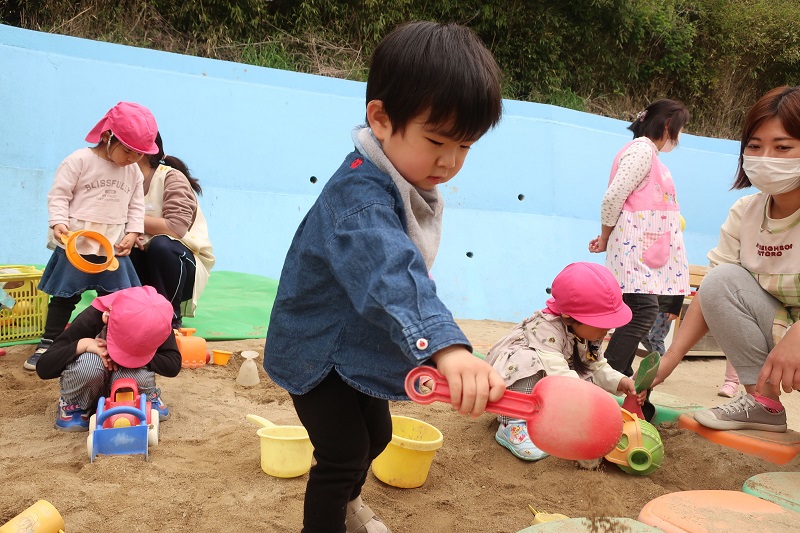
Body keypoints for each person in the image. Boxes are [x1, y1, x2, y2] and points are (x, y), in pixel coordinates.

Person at [263, 21, 505, 533]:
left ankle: (347, 508)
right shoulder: (360, 197)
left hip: (358, 346)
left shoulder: (404, 178)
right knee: (343, 451)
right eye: (437, 140)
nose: (450, 161)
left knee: (376, 438)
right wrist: (447, 346)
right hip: (317, 349)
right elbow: (390, 271)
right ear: (380, 118)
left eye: (465, 146)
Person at [652, 85, 800, 433]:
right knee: (721, 280)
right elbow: (713, 293)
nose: (766, 157)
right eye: (755, 146)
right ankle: (763, 404)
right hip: (783, 331)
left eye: (782, 147)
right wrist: (669, 359)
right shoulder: (746, 213)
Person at [25, 102, 158, 371]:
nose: (133, 158)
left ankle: (114, 343)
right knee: (64, 296)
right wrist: (59, 222)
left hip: (112, 246)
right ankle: (50, 343)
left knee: (118, 298)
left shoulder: (132, 171)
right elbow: (59, 195)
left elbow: (136, 205)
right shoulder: (78, 161)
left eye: (139, 154)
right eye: (128, 151)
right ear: (108, 137)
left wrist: (133, 232)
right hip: (76, 242)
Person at [486, 262, 638, 461]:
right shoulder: (546, 327)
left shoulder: (591, 333)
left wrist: (620, 381)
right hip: (514, 381)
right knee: (529, 361)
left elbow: (595, 366)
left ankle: (548, 420)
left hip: (553, 380)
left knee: (585, 376)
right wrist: (589, 404)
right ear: (568, 316)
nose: (607, 329)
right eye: (601, 322)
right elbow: (558, 372)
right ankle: (512, 425)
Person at [588, 99, 691, 377]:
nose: (679, 136)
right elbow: (613, 197)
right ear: (668, 125)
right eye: (680, 128)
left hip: (643, 248)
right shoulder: (641, 150)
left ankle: (619, 372)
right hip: (634, 248)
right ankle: (609, 373)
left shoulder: (650, 155)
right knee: (643, 310)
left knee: (636, 312)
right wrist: (605, 237)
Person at [35, 285, 181, 431]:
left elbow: (173, 365)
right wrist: (83, 344)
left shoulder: (157, 323)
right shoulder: (93, 316)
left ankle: (145, 398)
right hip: (91, 381)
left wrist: (139, 356)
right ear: (107, 317)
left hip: (125, 389)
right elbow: (44, 366)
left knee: (136, 373)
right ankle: (75, 404)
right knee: (89, 364)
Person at [130, 132, 215, 330]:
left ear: (141, 152)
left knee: (161, 245)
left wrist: (131, 222)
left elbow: (176, 228)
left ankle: (170, 318)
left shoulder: (170, 177)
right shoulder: (120, 180)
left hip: (179, 264)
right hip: (143, 259)